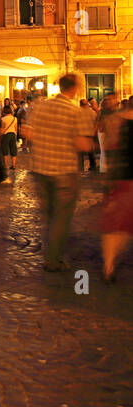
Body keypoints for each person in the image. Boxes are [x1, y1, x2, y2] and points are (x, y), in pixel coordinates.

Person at [21, 73, 94, 272]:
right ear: (75, 88)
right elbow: (82, 143)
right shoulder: (75, 111)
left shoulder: (41, 106)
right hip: (64, 170)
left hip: (40, 168)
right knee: (62, 217)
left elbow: (27, 132)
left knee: (49, 214)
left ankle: (51, 252)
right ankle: (53, 259)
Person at [101, 102, 133, 282]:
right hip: (125, 178)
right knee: (125, 226)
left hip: (119, 175)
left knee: (114, 225)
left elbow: (107, 147)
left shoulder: (114, 121)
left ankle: (108, 265)